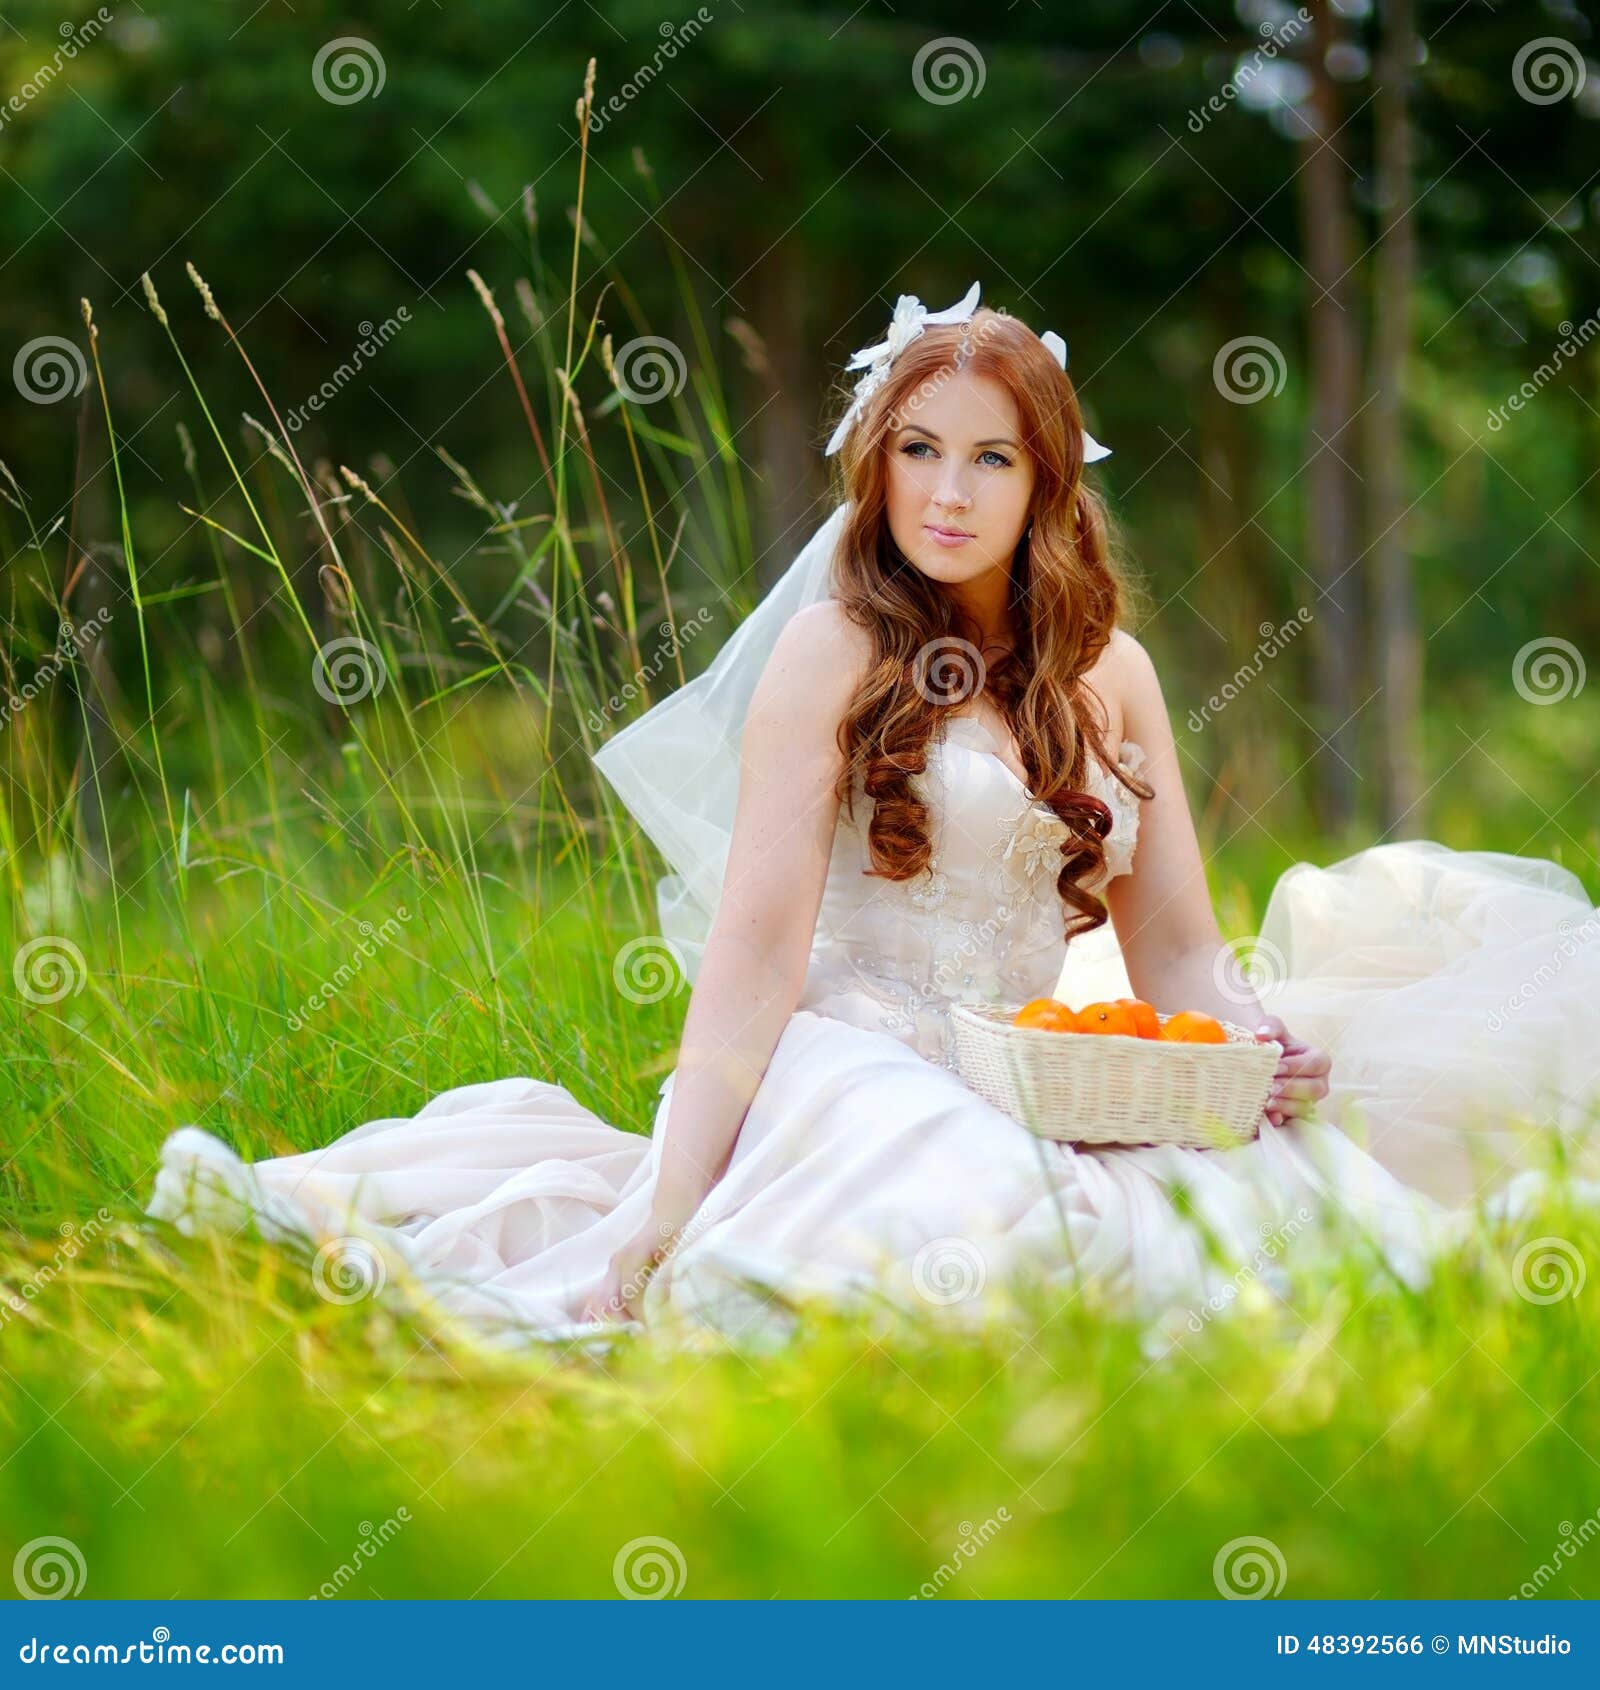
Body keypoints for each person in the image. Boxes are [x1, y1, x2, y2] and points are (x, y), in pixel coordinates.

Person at [144, 283, 1600, 1351]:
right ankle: (683, 1221)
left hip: (1054, 1077)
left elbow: (1178, 960)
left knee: (1296, 1227)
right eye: (918, 448)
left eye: (990, 458)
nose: (947, 492)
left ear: (1048, 484)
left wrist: (1245, 1040)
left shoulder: (1118, 675)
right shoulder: (835, 648)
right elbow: (757, 955)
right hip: (847, 1063)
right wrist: (666, 1199)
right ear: (873, 457)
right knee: (968, 1233)